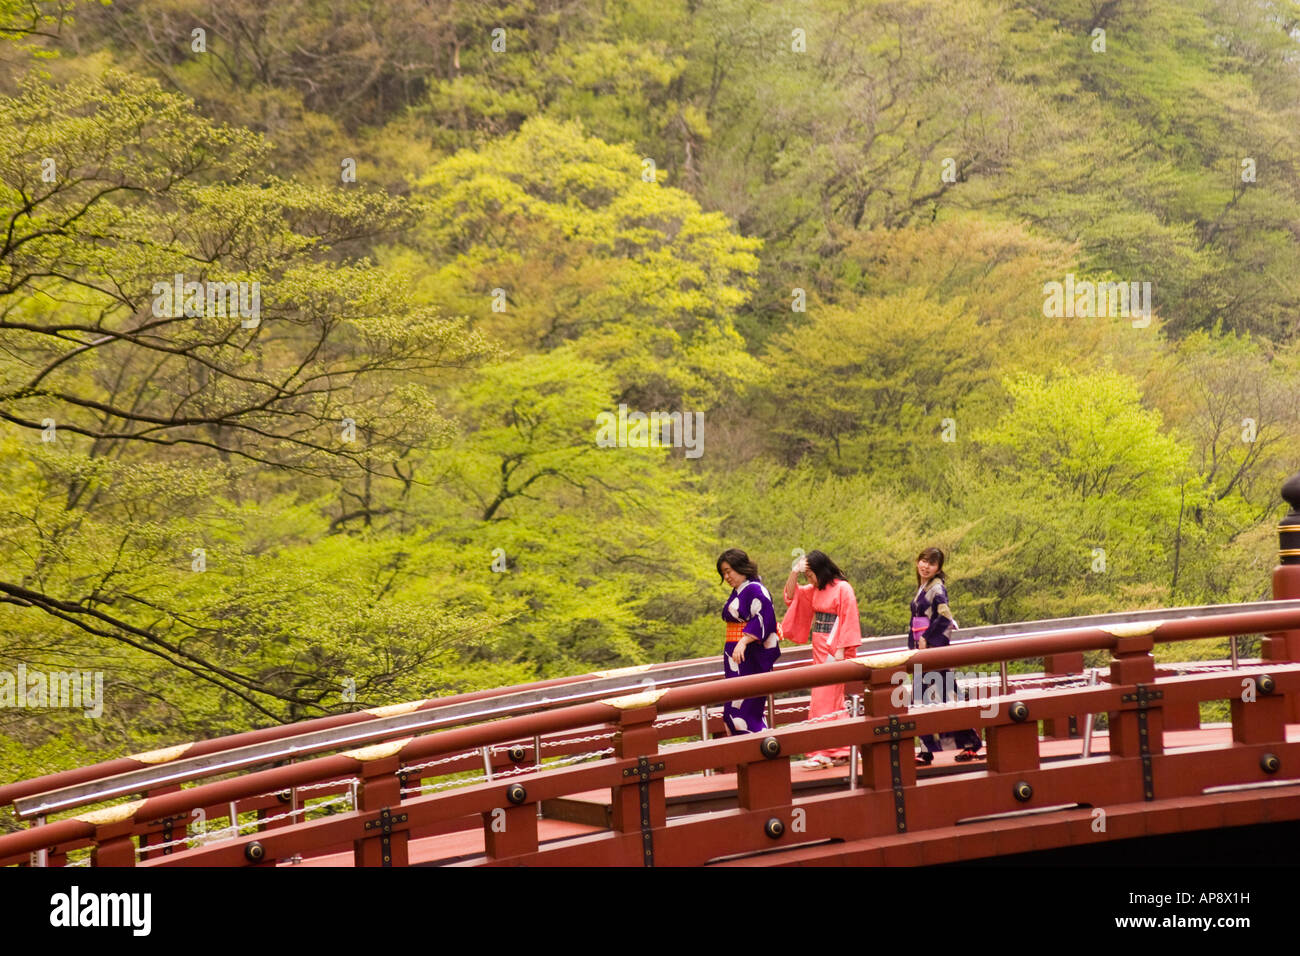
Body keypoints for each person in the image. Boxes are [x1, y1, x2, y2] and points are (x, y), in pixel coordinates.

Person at [781, 550, 863, 769]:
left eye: (810, 575)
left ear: (821, 570)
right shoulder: (815, 590)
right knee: (830, 700)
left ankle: (824, 750)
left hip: (834, 648)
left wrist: (840, 651)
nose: (809, 580)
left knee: (825, 698)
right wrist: (794, 572)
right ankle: (842, 749)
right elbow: (792, 597)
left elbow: (849, 619)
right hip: (819, 646)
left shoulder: (842, 588)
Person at [910, 547, 983, 764]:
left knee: (947, 699)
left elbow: (944, 618)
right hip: (922, 648)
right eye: (923, 561)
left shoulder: (937, 588)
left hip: (932, 650)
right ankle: (926, 749)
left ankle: (970, 745)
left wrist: (927, 639)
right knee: (922, 699)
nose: (925, 566)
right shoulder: (925, 586)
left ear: (938, 568)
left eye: (931, 564)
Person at [717, 548, 781, 735]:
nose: (726, 576)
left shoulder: (754, 589)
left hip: (748, 656)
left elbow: (765, 618)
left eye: (729, 571)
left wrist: (744, 641)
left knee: (742, 712)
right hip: (735, 656)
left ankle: (759, 750)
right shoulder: (739, 591)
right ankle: (744, 758)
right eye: (723, 573)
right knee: (732, 712)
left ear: (741, 567)